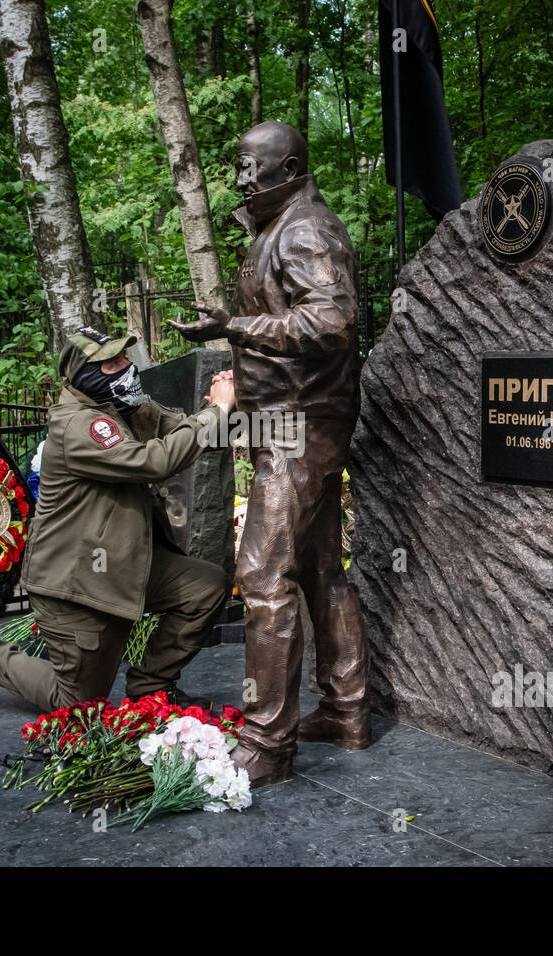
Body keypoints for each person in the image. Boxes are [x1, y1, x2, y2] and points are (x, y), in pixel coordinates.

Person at [170, 120, 370, 787]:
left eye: (250, 168)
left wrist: (232, 325)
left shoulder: (305, 228)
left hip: (302, 426)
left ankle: (268, 741)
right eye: (236, 167)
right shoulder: (275, 229)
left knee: (260, 576)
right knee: (319, 570)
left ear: (288, 169)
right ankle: (346, 710)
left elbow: (333, 322)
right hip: (287, 424)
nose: (239, 179)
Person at [0, 326, 236, 714]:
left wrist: (231, 400)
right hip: (77, 584)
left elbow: (181, 429)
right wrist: (216, 410)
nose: (126, 367)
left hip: (126, 565)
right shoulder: (79, 424)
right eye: (112, 362)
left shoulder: (119, 404)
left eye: (124, 357)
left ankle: (150, 688)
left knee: (205, 586)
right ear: (85, 374)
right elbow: (155, 461)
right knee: (79, 705)